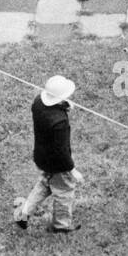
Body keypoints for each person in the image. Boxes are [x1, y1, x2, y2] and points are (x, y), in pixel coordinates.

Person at [13, 75, 82, 235]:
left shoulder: (38, 102)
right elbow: (62, 151)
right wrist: (72, 170)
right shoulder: (60, 123)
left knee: (45, 184)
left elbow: (50, 110)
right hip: (57, 164)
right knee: (64, 191)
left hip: (42, 157)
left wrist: (63, 106)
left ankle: (23, 212)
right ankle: (61, 225)